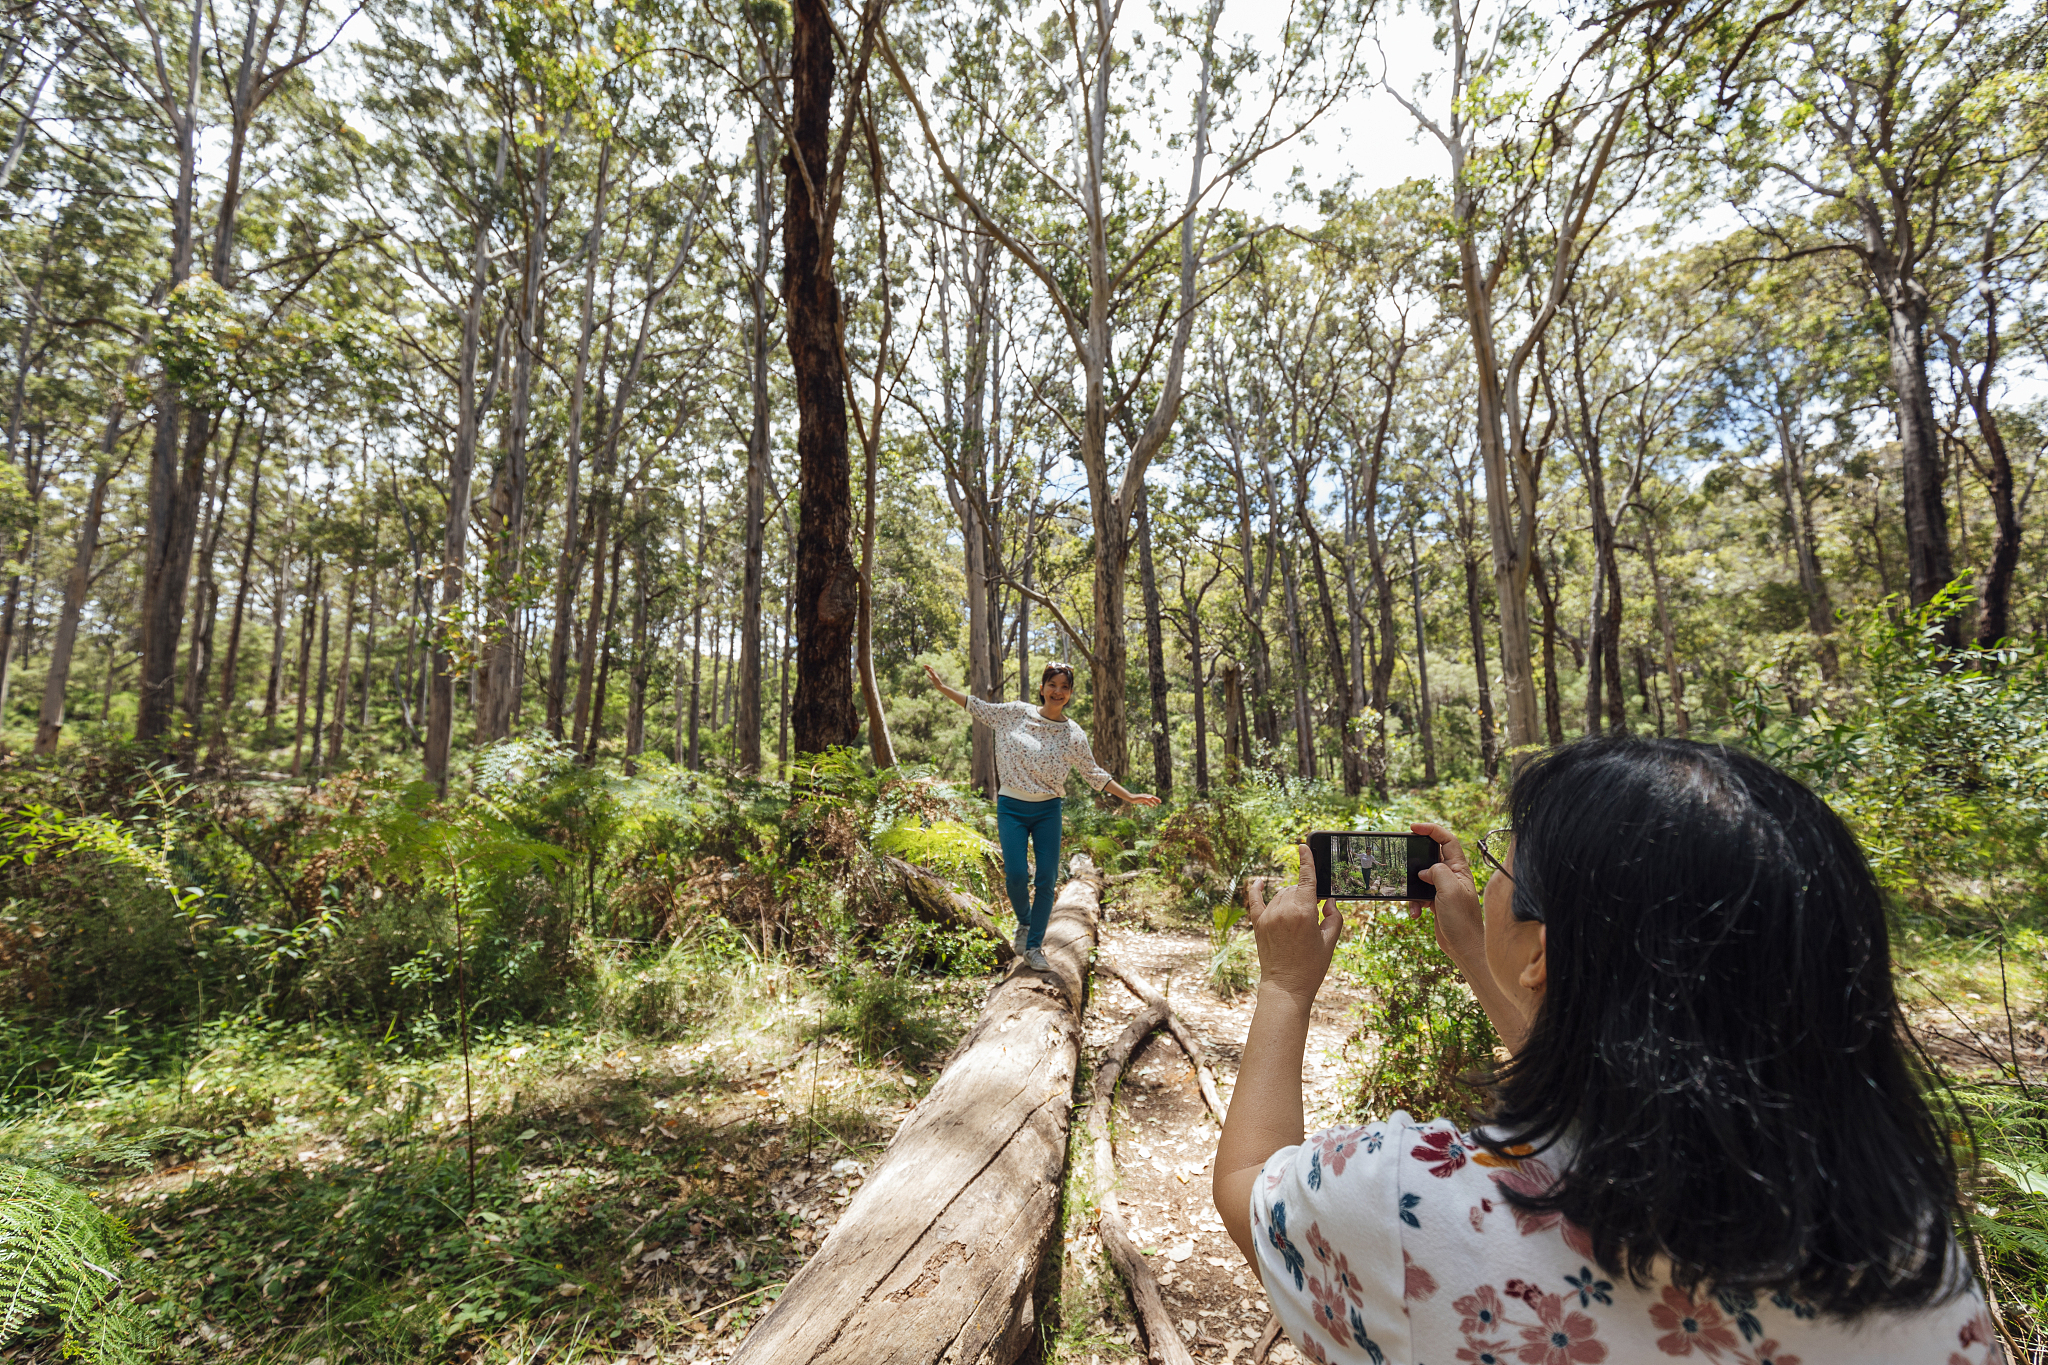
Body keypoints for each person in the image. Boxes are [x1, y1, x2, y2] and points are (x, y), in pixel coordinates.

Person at [1212, 736, 1998, 1365]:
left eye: (1500, 860)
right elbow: (1611, 1087)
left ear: (1544, 950)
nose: (1486, 875)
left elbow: (1247, 1186)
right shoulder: (1916, 1258)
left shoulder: (1410, 1204)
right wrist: (1485, 957)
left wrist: (1285, 986)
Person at [922, 661, 1160, 972]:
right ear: (1042, 688)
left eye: (1064, 687)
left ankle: (1034, 947)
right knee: (1016, 875)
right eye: (1053, 685)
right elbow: (978, 707)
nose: (1058, 692)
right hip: (1011, 807)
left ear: (1070, 693)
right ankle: (1024, 922)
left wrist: (1128, 796)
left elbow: (1093, 773)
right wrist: (942, 688)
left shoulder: (1073, 734)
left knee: (1046, 879)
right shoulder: (1015, 713)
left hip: (1048, 810)